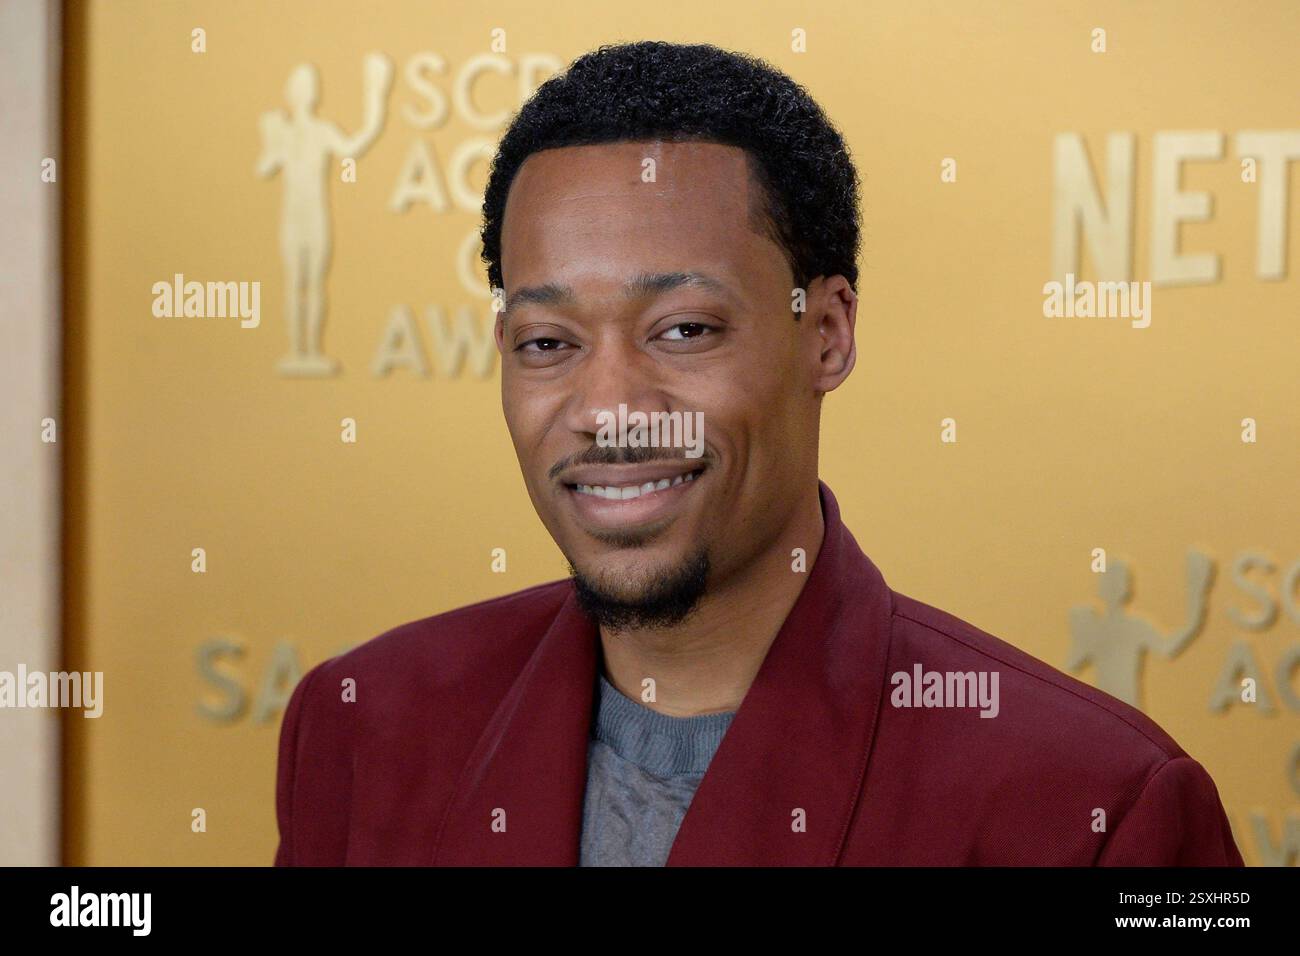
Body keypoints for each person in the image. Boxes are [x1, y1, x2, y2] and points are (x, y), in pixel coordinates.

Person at [273, 40, 1242, 866]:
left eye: (684, 330)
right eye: (547, 343)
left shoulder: (1093, 804)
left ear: (826, 333)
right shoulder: (364, 725)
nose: (609, 409)